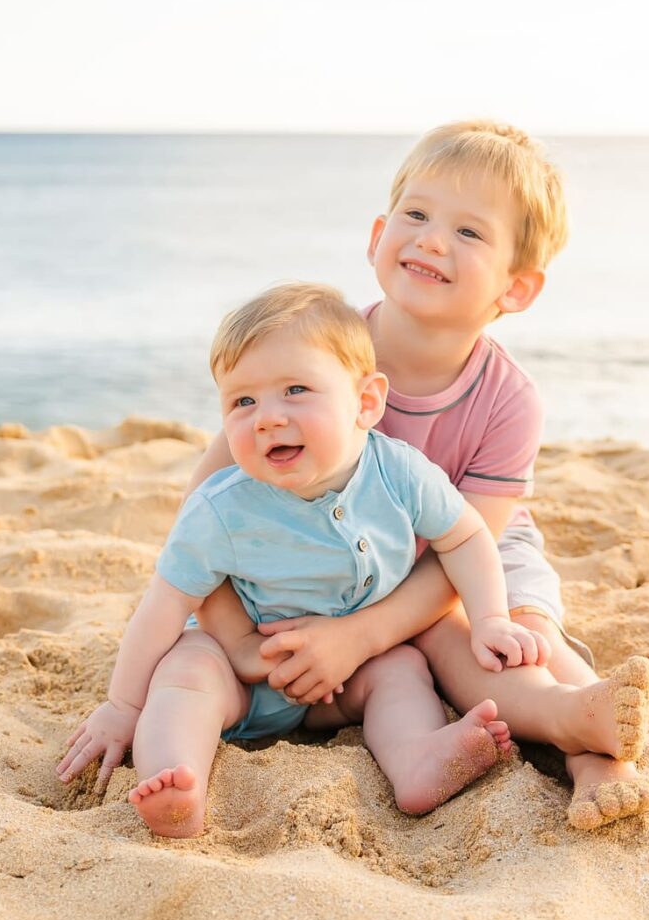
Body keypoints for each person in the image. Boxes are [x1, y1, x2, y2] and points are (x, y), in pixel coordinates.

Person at [192, 121, 649, 830]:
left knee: (513, 636)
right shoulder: (313, 353)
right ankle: (574, 726)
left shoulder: (510, 400)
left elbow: (467, 549)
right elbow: (207, 496)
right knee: (450, 646)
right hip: (341, 549)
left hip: (468, 550)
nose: (432, 239)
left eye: (470, 233)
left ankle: (595, 750)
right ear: (379, 233)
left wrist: (360, 638)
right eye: (416, 215)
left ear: (518, 288)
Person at [57, 283, 549, 838]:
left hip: (344, 675)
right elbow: (163, 607)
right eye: (243, 402)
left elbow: (464, 538)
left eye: (295, 390)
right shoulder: (222, 506)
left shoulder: (401, 474)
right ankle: (176, 779)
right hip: (240, 674)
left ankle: (415, 763)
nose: (266, 417)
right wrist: (123, 705)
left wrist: (489, 619)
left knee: (401, 672)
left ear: (365, 402)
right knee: (185, 674)